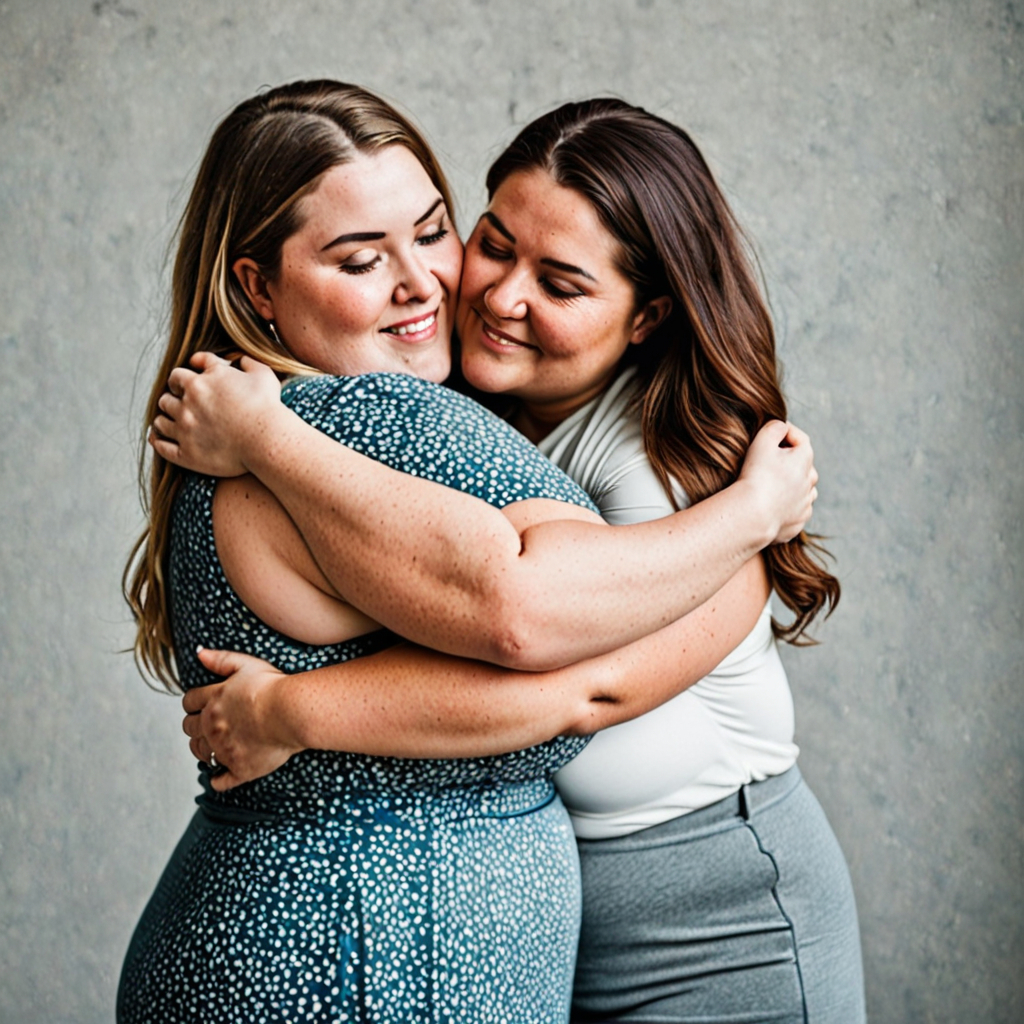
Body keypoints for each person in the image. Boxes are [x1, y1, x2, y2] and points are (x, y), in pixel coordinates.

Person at [120, 82, 818, 1024]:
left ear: (645, 316)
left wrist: (749, 517)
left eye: (432, 234)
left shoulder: (663, 471)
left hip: (709, 922)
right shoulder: (414, 418)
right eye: (492, 243)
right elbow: (522, 620)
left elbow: (580, 678)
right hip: (412, 939)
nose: (482, 291)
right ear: (257, 285)